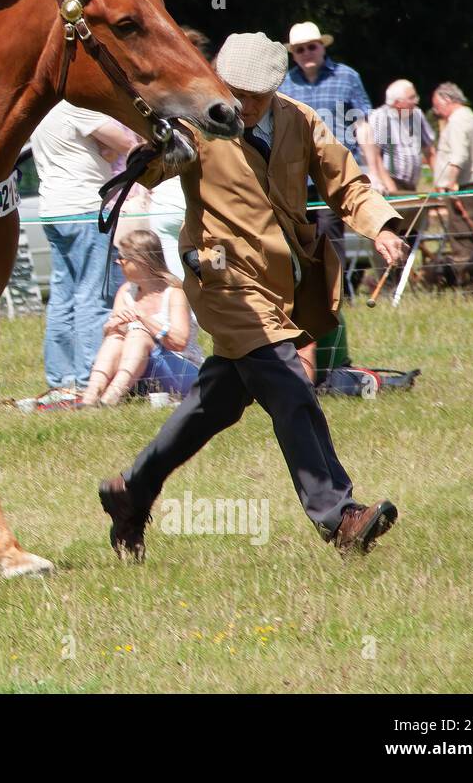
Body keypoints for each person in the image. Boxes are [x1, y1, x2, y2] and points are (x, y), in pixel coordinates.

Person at [97, 32, 408, 561]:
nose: (237, 102)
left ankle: (132, 490)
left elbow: (347, 184)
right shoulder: (199, 123)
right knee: (290, 383)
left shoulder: (299, 121)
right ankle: (340, 516)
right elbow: (156, 164)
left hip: (281, 284)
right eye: (230, 88)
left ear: (274, 86)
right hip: (223, 283)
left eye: (249, 93)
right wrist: (151, 152)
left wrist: (379, 227)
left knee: (210, 405)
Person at [29, 101, 136, 407]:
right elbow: (126, 143)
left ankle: (60, 381)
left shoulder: (44, 110)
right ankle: (91, 377)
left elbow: (105, 151)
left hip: (52, 209)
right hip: (85, 208)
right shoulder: (78, 106)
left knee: (63, 297)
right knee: (94, 294)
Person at [279, 21, 374, 282]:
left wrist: (374, 171)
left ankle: (336, 293)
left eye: (312, 46)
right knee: (299, 235)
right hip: (295, 175)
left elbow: (363, 125)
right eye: (299, 49)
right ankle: (307, 291)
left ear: (322, 47)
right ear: (293, 54)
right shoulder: (283, 85)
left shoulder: (347, 77)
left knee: (331, 234)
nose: (307, 53)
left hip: (336, 171)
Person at [82, 229, 202, 406]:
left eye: (123, 258)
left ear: (141, 261)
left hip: (183, 371)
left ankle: (111, 398)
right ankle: (90, 396)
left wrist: (144, 318)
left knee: (139, 333)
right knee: (116, 338)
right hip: (142, 373)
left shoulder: (174, 293)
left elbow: (179, 342)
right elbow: (113, 339)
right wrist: (114, 325)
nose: (118, 262)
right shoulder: (126, 291)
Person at [430, 82, 473, 288]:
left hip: (461, 188)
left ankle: (467, 286)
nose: (436, 111)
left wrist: (450, 183)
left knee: (462, 239)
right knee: (472, 237)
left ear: (448, 99)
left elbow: (459, 156)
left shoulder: (457, 121)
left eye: (437, 105)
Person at [360, 80, 434, 193]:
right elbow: (375, 155)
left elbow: (429, 150)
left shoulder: (417, 115)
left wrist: (439, 180)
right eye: (411, 98)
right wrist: (390, 186)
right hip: (390, 183)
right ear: (397, 102)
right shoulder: (380, 117)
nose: (416, 101)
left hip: (412, 184)